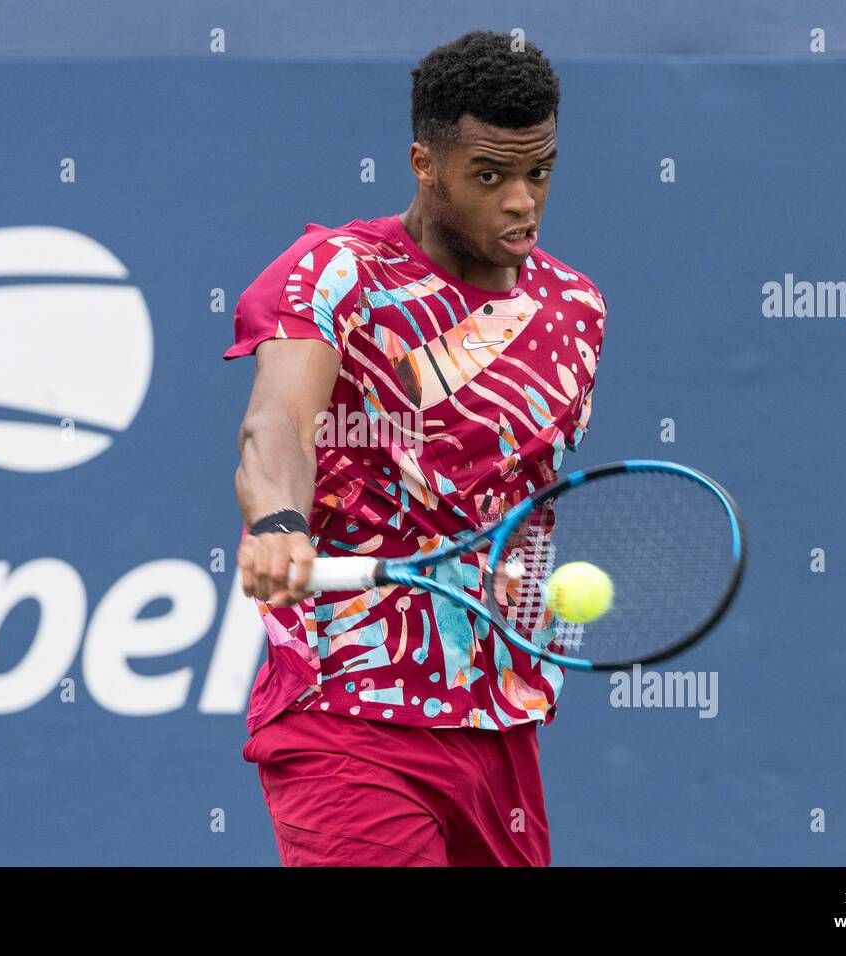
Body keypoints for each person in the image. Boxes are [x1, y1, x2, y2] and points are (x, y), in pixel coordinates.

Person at [225, 30, 607, 866]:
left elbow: (517, 491)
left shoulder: (575, 309)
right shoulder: (337, 274)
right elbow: (277, 424)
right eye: (490, 175)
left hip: (500, 723)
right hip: (344, 710)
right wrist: (280, 520)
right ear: (423, 164)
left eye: (538, 172)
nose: (521, 202)